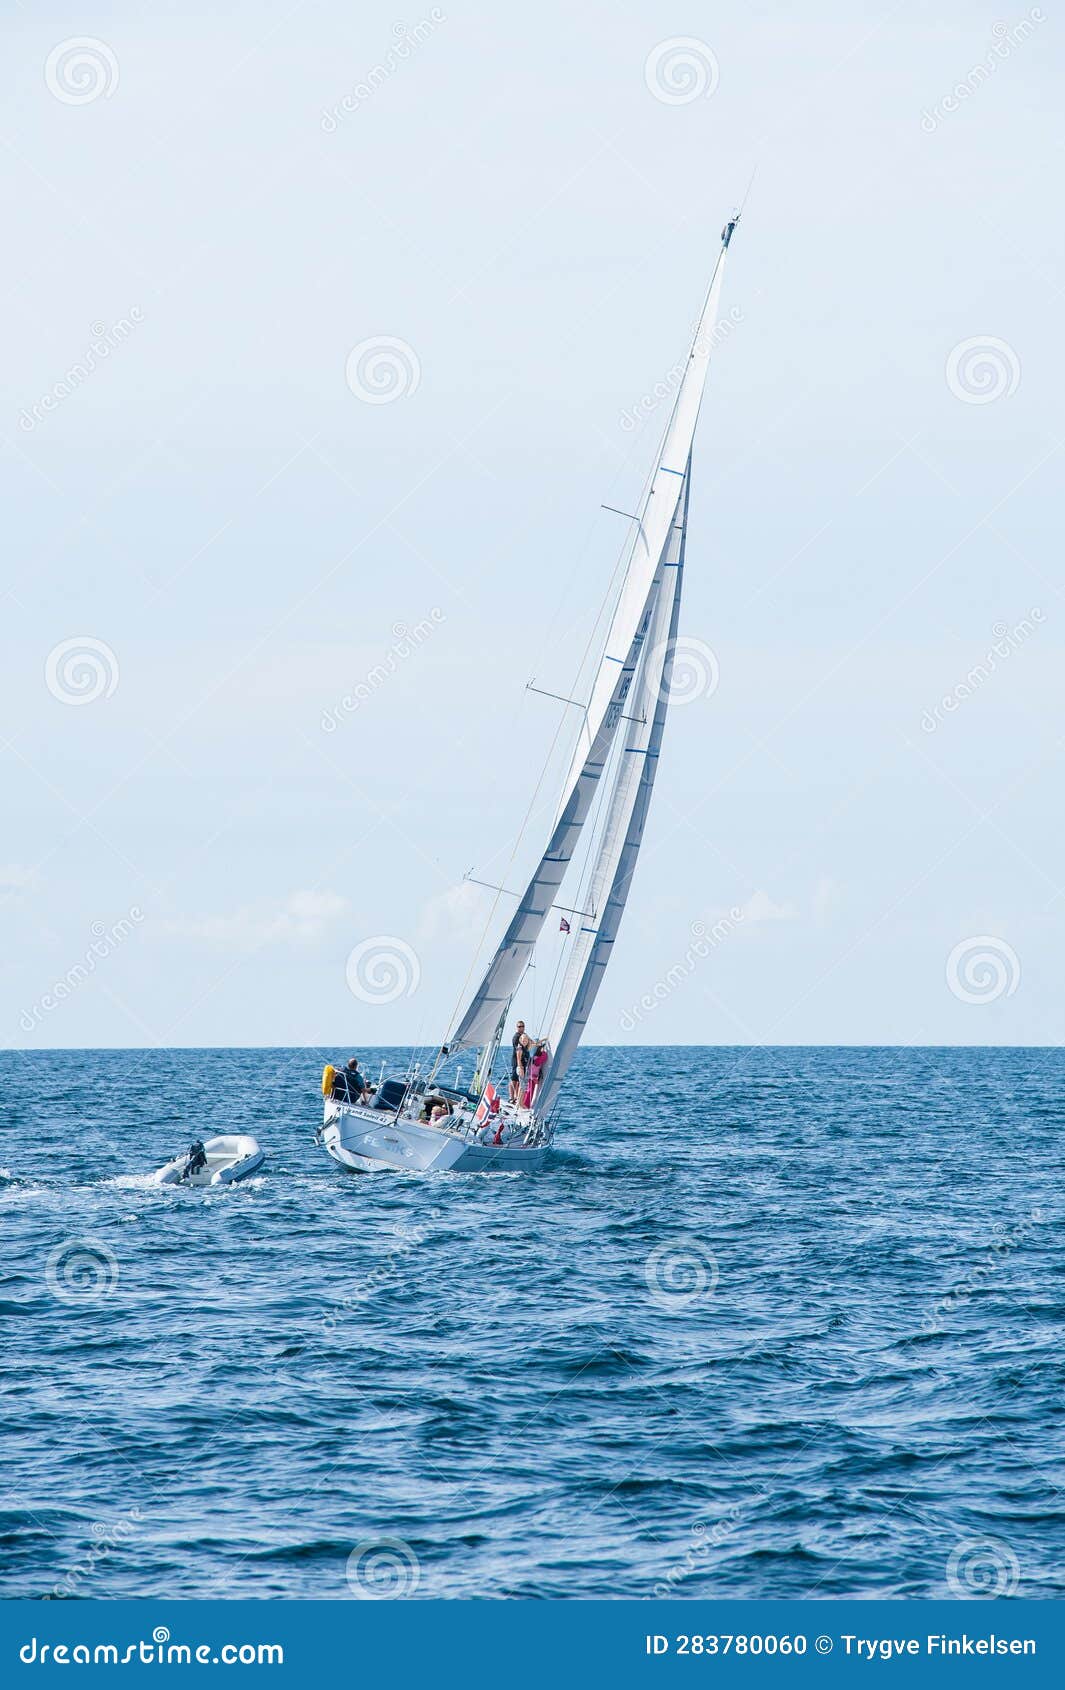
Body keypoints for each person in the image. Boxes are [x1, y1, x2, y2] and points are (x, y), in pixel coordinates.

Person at [522, 1041, 549, 1110]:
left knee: (528, 1090)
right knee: (530, 1090)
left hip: (530, 1075)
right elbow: (545, 1057)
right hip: (532, 1076)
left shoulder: (533, 1057)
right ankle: (526, 1105)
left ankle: (524, 1103)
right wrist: (544, 1051)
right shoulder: (536, 1059)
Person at [509, 1019, 527, 1104]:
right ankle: (512, 1098)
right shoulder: (516, 1037)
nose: (521, 1028)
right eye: (519, 1026)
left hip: (523, 1061)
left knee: (519, 1080)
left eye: (522, 1026)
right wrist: (519, 1063)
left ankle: (517, 1098)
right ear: (517, 1027)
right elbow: (518, 1049)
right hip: (516, 1061)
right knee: (514, 1079)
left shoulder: (524, 1035)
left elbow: (529, 1044)